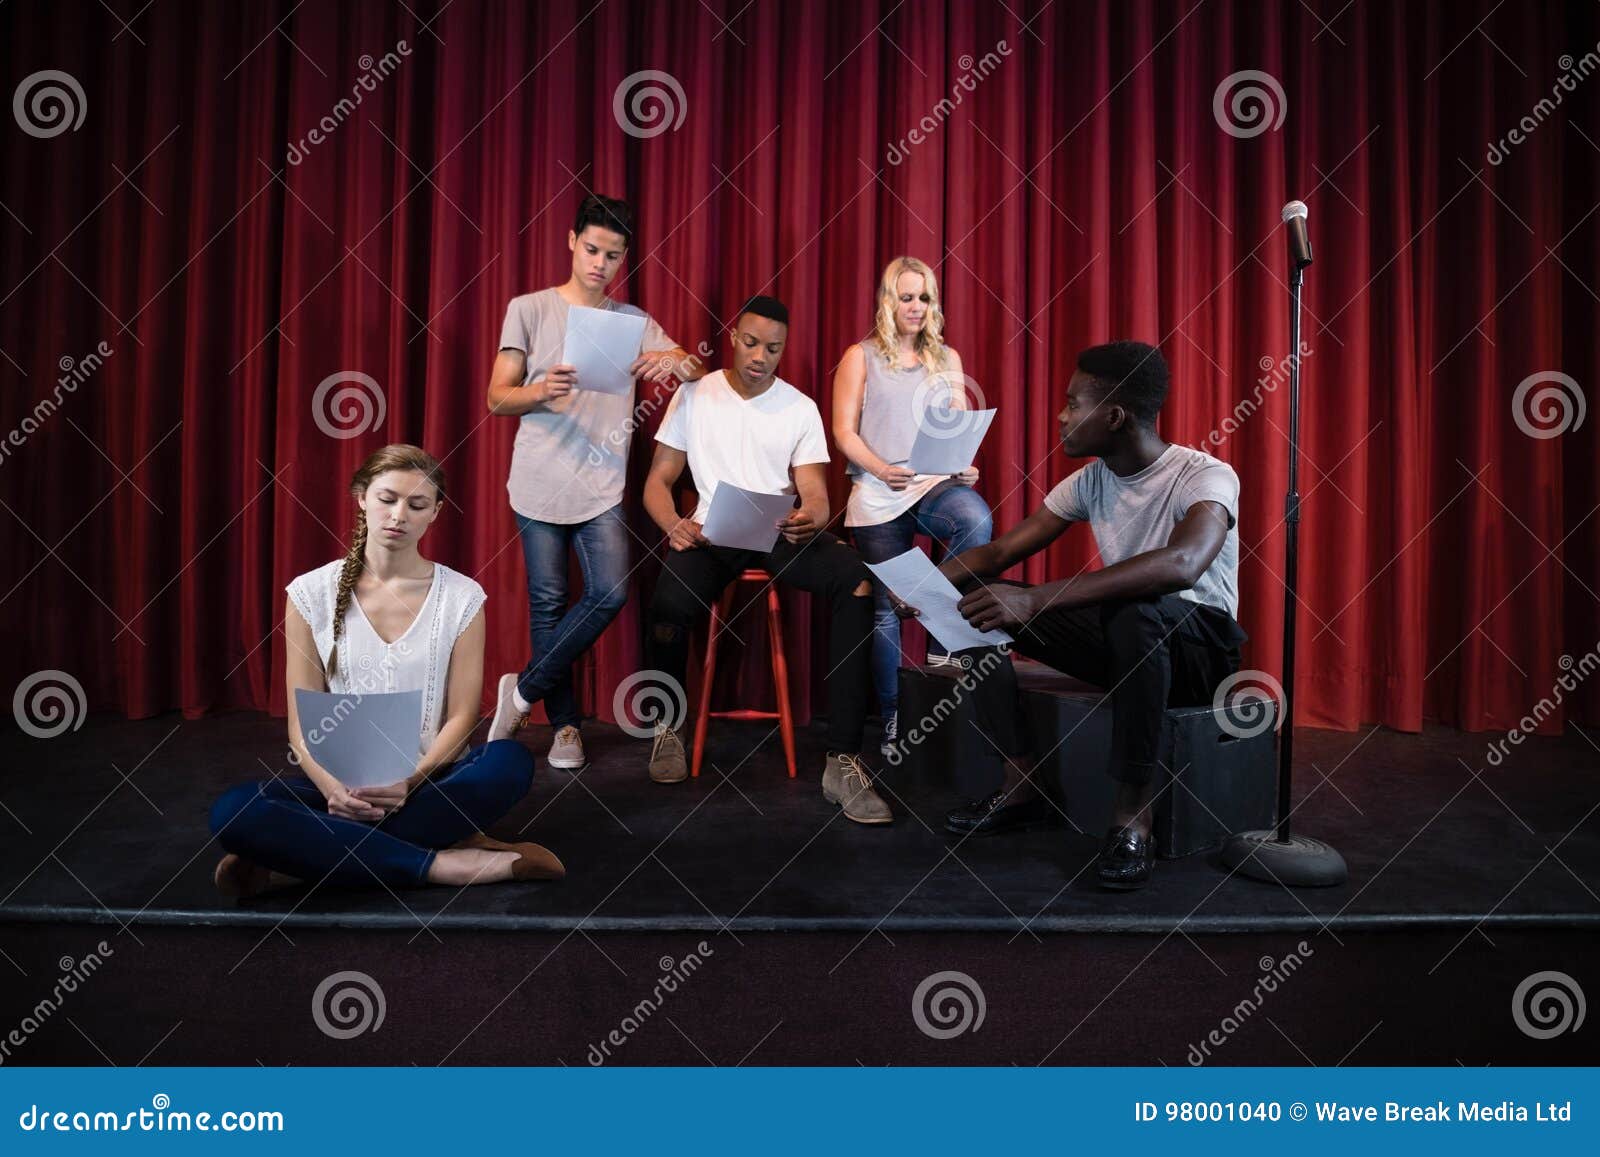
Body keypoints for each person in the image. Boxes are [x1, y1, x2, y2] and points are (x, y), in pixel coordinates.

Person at [913, 341, 1245, 890]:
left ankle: (1133, 814)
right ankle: (1022, 784)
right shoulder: (1092, 480)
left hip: (1199, 654)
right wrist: (922, 587)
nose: (1061, 416)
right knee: (981, 600)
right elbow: (997, 554)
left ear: (1114, 416)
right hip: (1129, 643)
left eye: (1073, 403)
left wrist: (1038, 598)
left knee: (1132, 610)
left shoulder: (1203, 474)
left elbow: (1183, 565)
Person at [208, 444, 563, 898]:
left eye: (416, 505)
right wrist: (334, 790)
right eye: (387, 498)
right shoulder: (309, 592)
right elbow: (300, 725)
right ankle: (441, 864)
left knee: (507, 762)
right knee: (236, 811)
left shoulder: (462, 597)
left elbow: (460, 716)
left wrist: (409, 781)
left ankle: (300, 861)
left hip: (431, 780)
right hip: (344, 790)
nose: (399, 515)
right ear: (361, 497)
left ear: (434, 513)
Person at [638, 295, 889, 824]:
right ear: (733, 336)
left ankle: (843, 759)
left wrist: (813, 518)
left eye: (773, 348)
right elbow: (657, 484)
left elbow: (816, 495)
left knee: (857, 582)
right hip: (711, 531)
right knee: (667, 602)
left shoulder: (799, 407)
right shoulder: (694, 395)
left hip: (775, 532)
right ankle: (667, 727)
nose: (760, 356)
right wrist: (673, 525)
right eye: (751, 343)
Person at [484, 194, 704, 770]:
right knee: (549, 602)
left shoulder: (631, 323)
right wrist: (539, 391)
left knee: (609, 592)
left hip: (601, 486)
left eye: (612, 254)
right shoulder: (528, 309)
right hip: (537, 480)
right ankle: (565, 728)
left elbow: (694, 367)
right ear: (571, 241)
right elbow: (496, 396)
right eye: (591, 249)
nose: (600, 263)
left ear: (624, 257)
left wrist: (676, 361)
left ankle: (522, 691)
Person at [832, 256, 993, 753]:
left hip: (931, 486)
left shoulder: (949, 360)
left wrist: (965, 466)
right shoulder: (860, 356)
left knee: (975, 516)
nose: (916, 306)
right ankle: (896, 718)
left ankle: (942, 665)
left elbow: (957, 434)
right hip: (879, 494)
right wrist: (881, 468)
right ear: (888, 301)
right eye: (906, 296)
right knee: (886, 611)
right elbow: (842, 432)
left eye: (924, 297)